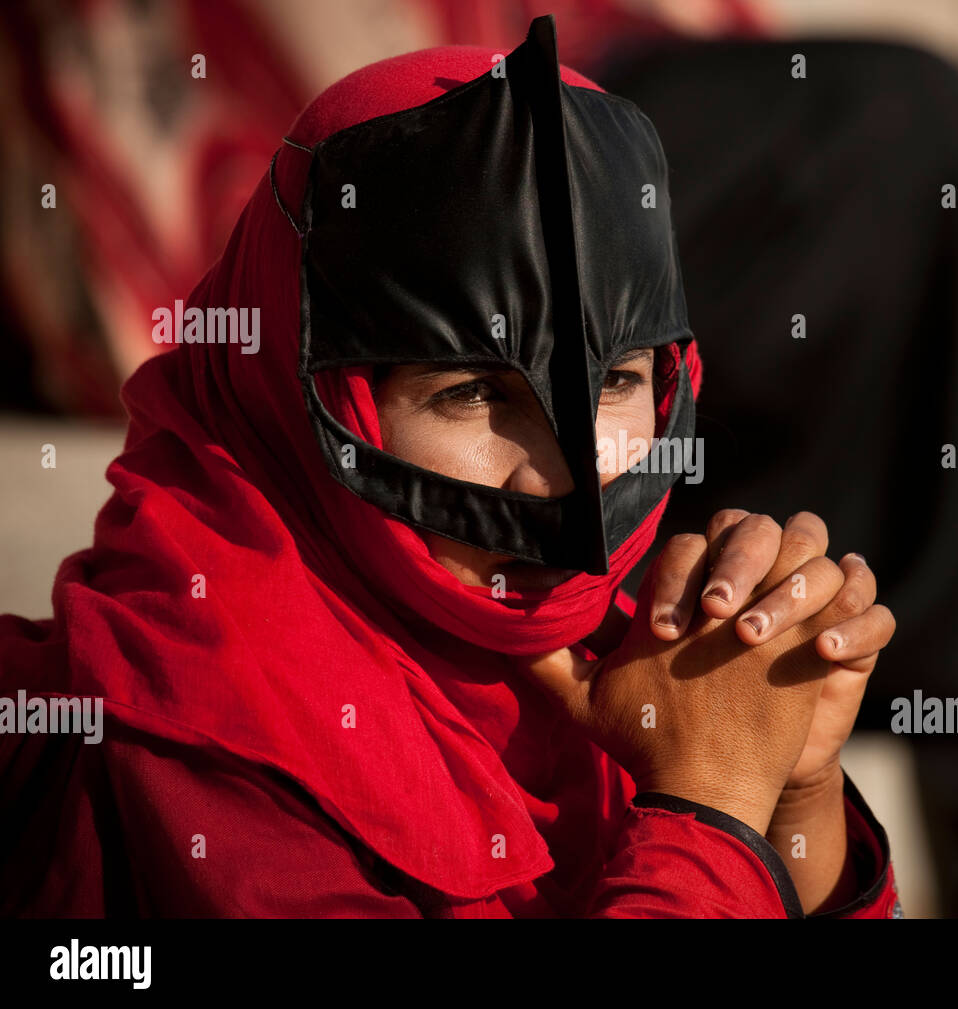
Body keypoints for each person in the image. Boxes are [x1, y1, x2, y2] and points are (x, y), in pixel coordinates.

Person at [0, 16, 898, 918]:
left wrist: (793, 792)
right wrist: (708, 811)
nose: (560, 481)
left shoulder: (634, 651)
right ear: (298, 394)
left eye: (619, 381)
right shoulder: (208, 710)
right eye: (474, 394)